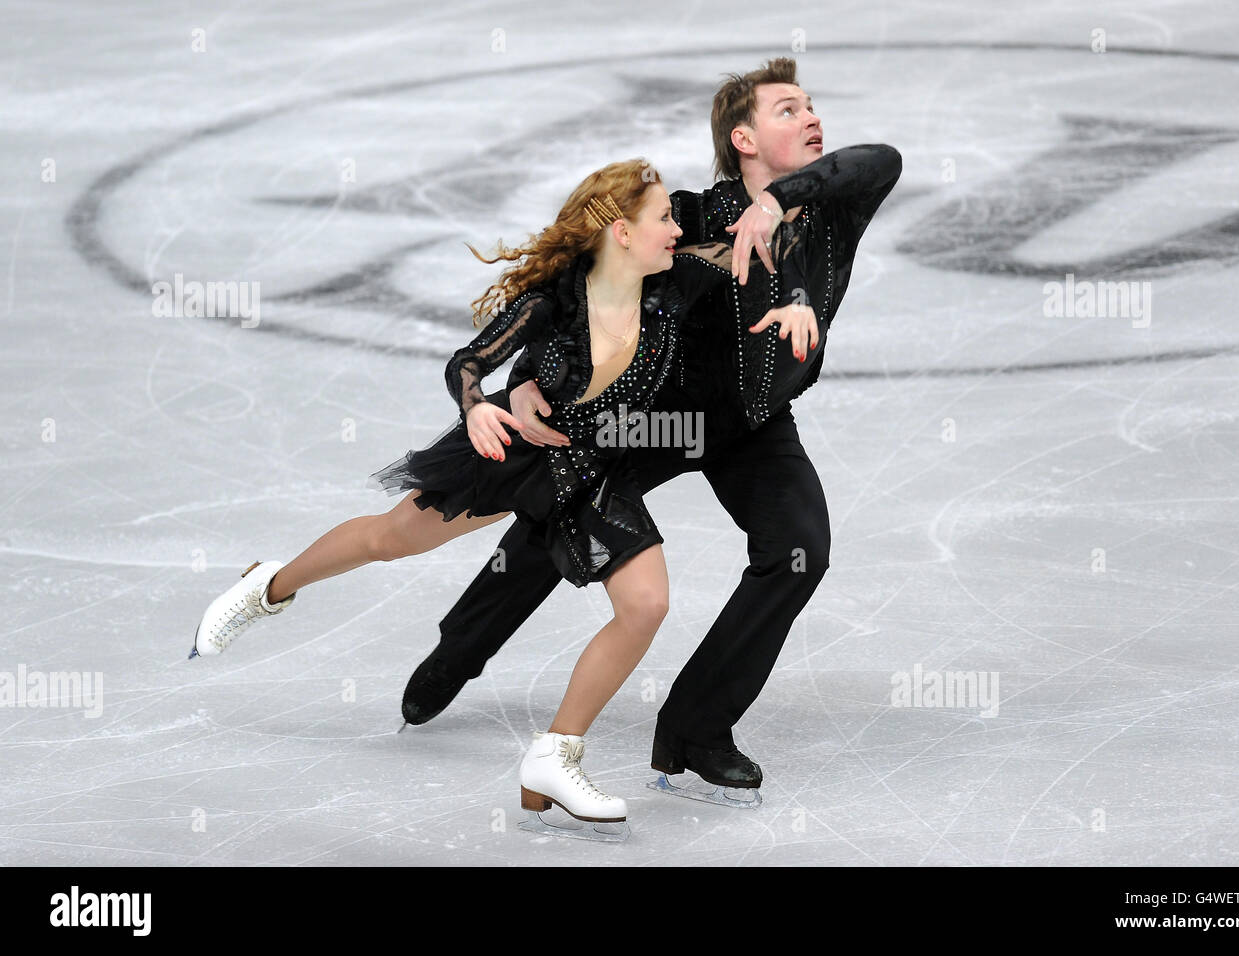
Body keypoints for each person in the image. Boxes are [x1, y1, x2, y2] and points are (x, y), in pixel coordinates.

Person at [187, 158, 810, 835]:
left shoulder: (678, 283)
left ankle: (555, 756)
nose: (675, 228)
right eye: (663, 218)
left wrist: (796, 294)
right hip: (514, 450)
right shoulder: (556, 300)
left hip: (589, 471)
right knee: (390, 539)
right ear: (622, 232)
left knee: (647, 603)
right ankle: (268, 585)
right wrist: (479, 406)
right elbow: (470, 360)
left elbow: (760, 251)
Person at [400, 57, 902, 805]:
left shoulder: (834, 209)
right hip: (656, 414)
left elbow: (882, 160)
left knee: (799, 551)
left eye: (811, 107)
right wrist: (535, 372)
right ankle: (463, 646)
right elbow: (585, 282)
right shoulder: (693, 215)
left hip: (755, 423)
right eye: (789, 110)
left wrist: (779, 203)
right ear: (743, 137)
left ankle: (694, 731)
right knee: (555, 512)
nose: (812, 120)